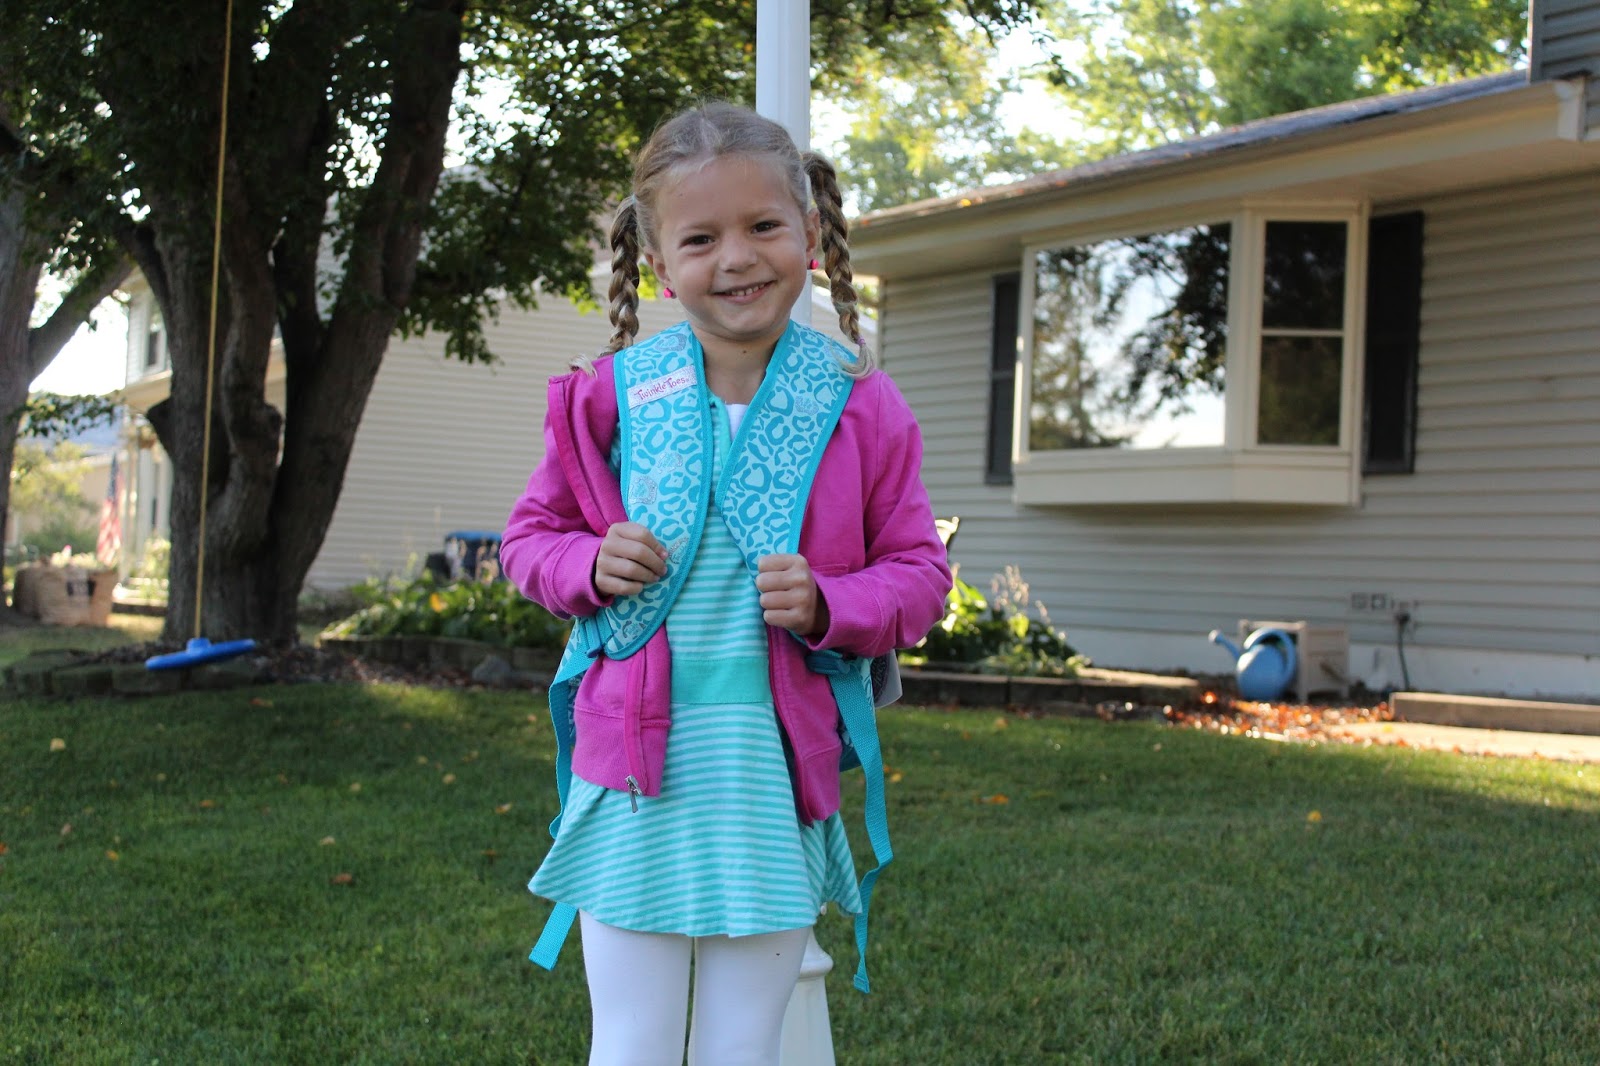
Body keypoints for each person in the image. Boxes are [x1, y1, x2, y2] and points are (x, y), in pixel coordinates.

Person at [500, 100, 951, 1066]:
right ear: (659, 263)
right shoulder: (606, 399)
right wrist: (588, 564)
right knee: (629, 1043)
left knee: (744, 1047)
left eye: (763, 227)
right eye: (700, 238)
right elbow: (529, 540)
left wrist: (836, 604)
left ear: (812, 236)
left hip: (772, 775)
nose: (736, 257)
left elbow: (920, 574)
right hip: (631, 775)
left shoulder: (863, 407)